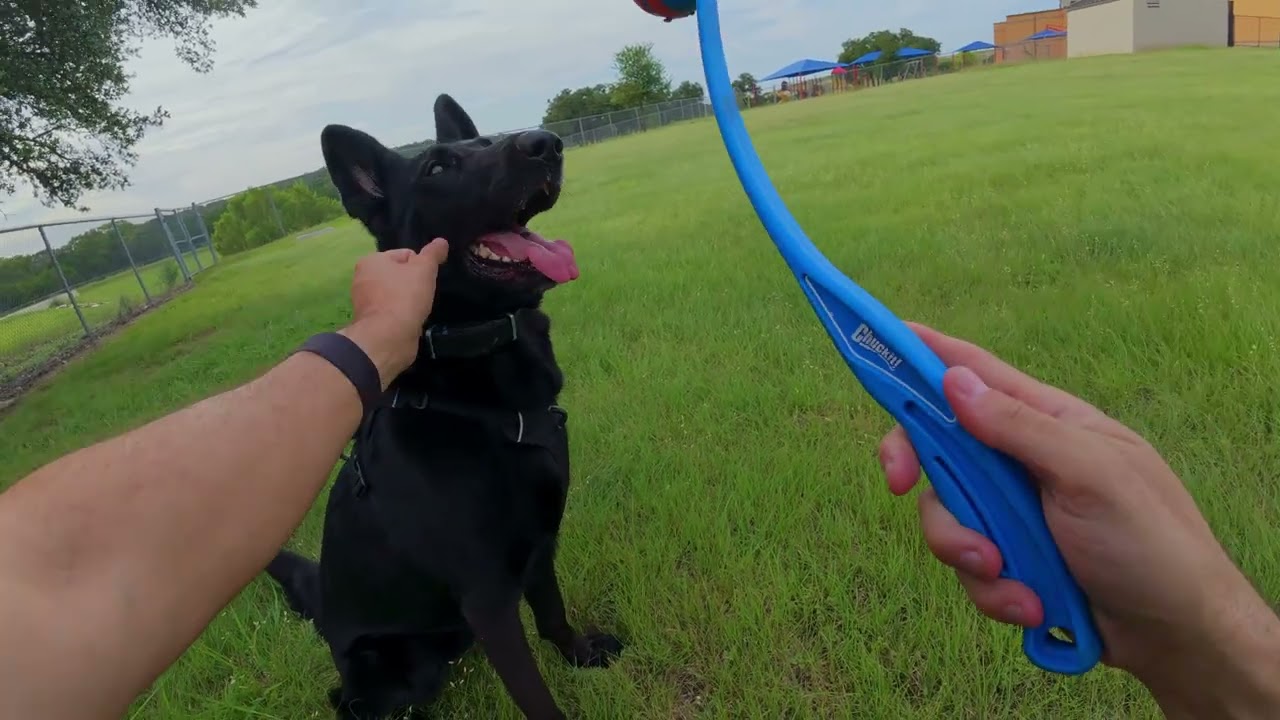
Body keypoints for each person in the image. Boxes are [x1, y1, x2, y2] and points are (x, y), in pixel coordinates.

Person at [0, 241, 1275, 719]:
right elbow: (48, 573)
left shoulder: (505, 387)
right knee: (415, 663)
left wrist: (1211, 632)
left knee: (516, 555)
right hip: (397, 635)